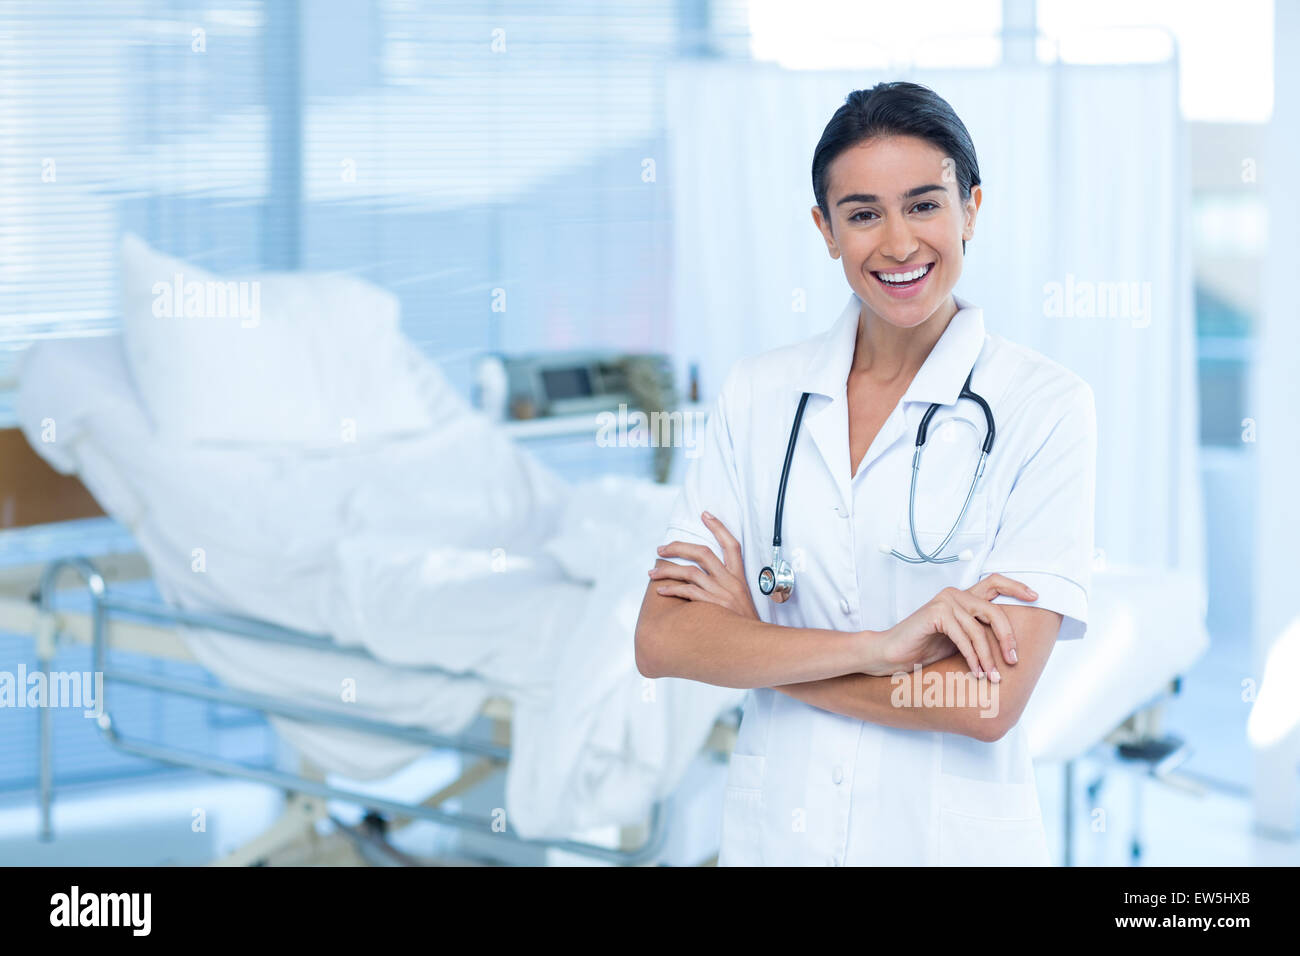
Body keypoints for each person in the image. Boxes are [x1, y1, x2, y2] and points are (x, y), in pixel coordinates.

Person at [634, 81, 1097, 866]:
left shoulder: (1045, 407)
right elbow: (664, 639)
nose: (897, 243)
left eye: (923, 205)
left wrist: (755, 644)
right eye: (862, 214)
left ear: (970, 209)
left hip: (945, 841)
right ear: (825, 229)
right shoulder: (758, 394)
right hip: (781, 832)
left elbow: (985, 701)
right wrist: (884, 647)